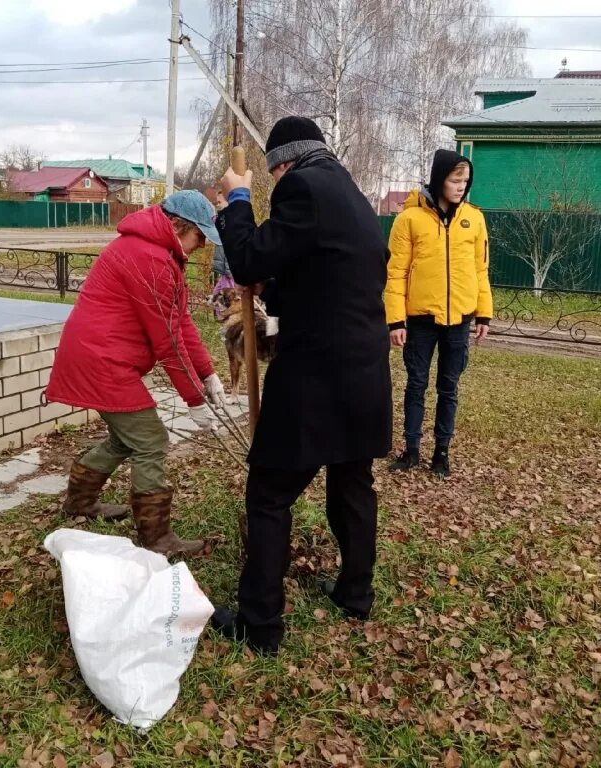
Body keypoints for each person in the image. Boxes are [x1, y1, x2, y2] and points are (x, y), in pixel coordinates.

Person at [210, 116, 392, 655]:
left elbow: (246, 257)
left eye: (273, 173)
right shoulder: (351, 196)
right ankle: (355, 594)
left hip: (317, 376)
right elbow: (328, 277)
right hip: (363, 371)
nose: (275, 181)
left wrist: (239, 201)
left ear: (283, 163)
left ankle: (259, 623)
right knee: (352, 484)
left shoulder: (303, 187)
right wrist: (277, 288)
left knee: (269, 495)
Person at [45, 190, 228, 558]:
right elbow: (167, 341)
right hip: (101, 361)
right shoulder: (151, 258)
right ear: (179, 226)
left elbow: (181, 323)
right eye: (200, 236)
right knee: (150, 441)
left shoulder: (159, 252)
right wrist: (193, 399)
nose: (202, 245)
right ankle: (157, 538)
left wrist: (207, 374)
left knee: (125, 439)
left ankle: (79, 502)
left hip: (100, 357)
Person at [385, 149, 493, 478]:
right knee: (416, 384)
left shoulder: (473, 218)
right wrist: (396, 320)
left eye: (465, 181)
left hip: (458, 320)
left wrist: (483, 313)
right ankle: (412, 450)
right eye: (454, 180)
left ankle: (441, 452)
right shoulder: (409, 219)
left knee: (449, 387)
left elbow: (480, 269)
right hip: (419, 321)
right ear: (439, 179)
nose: (461, 186)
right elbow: (396, 272)